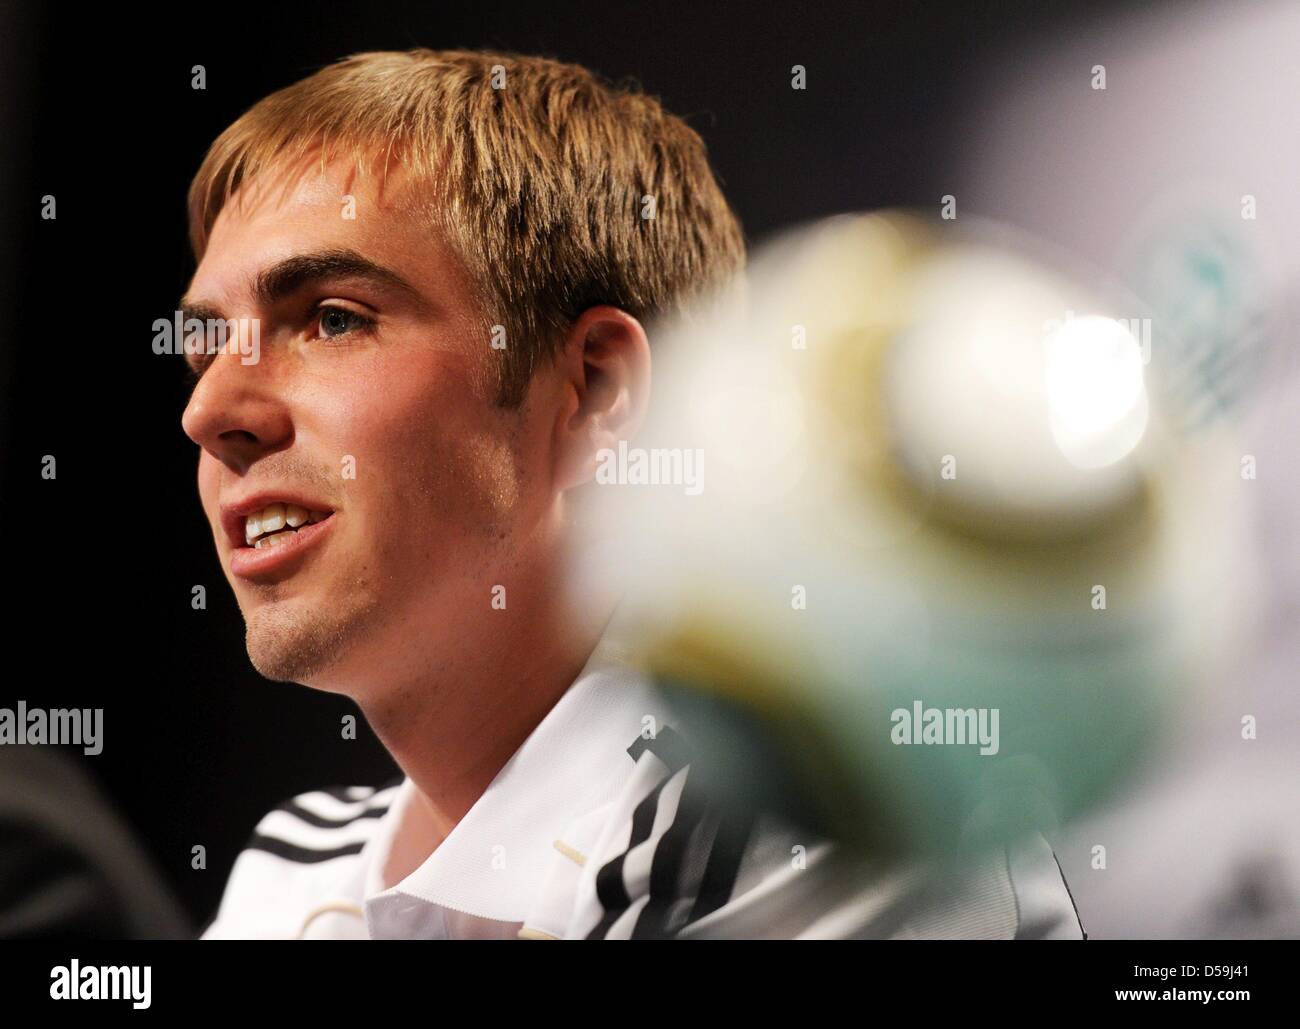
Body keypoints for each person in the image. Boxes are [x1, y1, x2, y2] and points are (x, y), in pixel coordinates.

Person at [181, 48, 1083, 939]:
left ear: (596, 390)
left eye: (334, 319)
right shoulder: (292, 874)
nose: (210, 408)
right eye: (207, 344)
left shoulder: (838, 826)